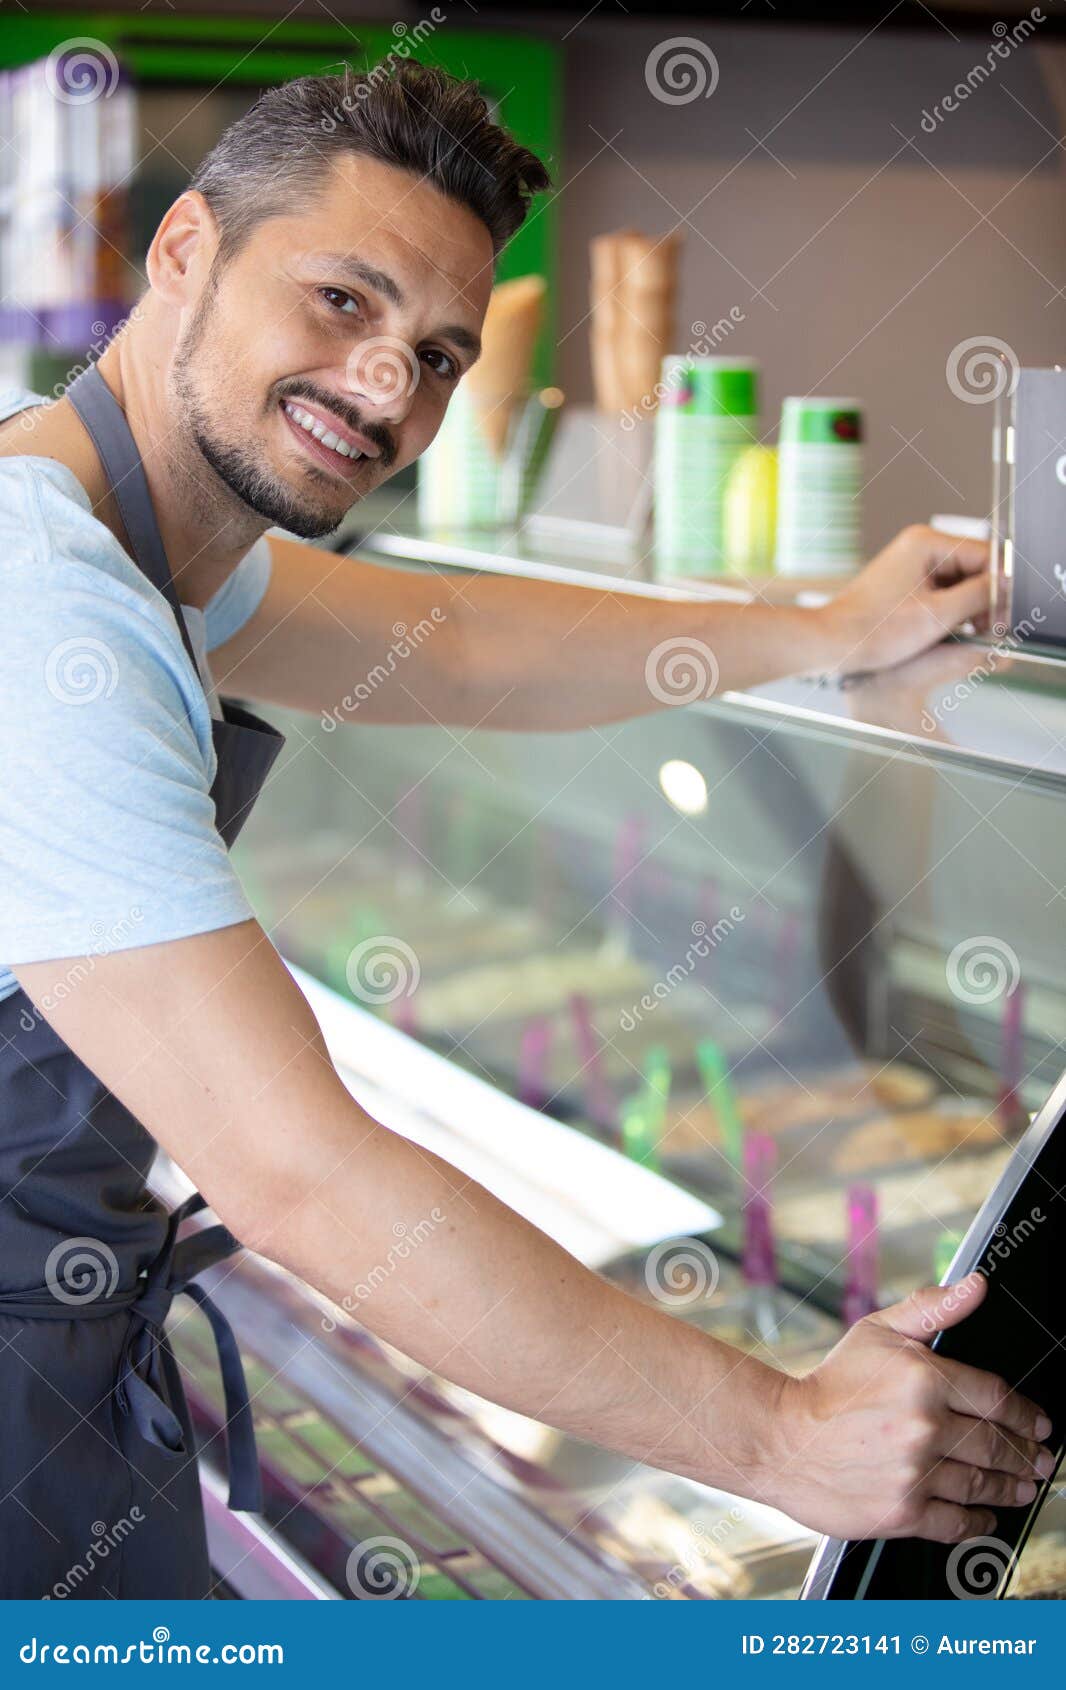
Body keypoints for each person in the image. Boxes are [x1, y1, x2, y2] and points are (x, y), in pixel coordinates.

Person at [0, 62, 1050, 1600]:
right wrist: (779, 1434)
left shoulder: (100, 507)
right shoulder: (47, 608)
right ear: (183, 252)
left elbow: (450, 643)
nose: (384, 389)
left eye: (436, 354)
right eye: (340, 302)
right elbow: (297, 1173)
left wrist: (825, 624)